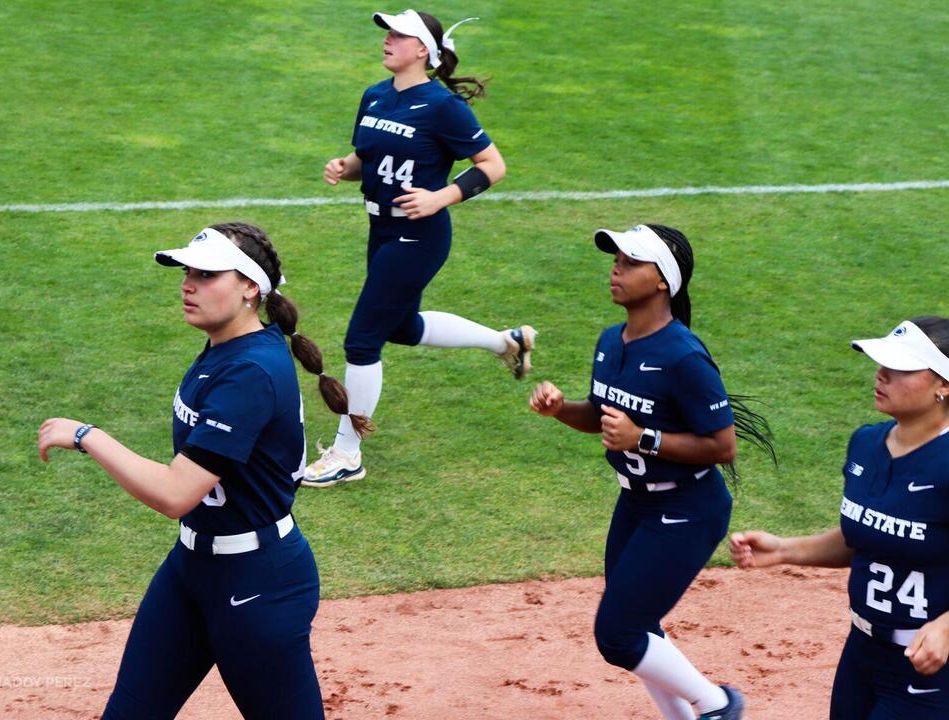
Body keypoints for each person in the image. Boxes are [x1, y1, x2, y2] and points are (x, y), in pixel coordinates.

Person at [37, 223, 361, 719]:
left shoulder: (250, 372)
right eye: (188, 271)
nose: (188, 284)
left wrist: (87, 436)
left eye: (207, 274)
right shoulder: (226, 346)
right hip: (191, 570)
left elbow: (175, 494)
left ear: (251, 287)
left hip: (258, 584)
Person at [529, 223, 771, 719]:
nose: (616, 269)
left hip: (688, 507)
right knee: (640, 627)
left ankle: (718, 704)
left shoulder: (683, 356)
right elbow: (601, 417)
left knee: (618, 635)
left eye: (631, 262)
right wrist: (560, 409)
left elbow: (724, 446)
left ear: (663, 280)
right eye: (616, 260)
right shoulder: (610, 342)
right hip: (637, 503)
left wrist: (645, 439)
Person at [305, 8, 535, 487]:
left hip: (419, 237)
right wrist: (342, 167)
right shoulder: (374, 96)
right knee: (403, 328)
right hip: (382, 231)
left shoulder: (443, 106)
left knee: (362, 339)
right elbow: (366, 158)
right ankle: (505, 341)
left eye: (399, 34)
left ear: (422, 51)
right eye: (387, 32)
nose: (387, 40)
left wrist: (442, 196)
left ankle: (348, 452)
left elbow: (493, 165)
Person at [731, 317, 949, 719]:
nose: (881, 375)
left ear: (943, 386)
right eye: (882, 363)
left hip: (932, 670)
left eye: (900, 369)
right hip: (862, 654)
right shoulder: (866, 443)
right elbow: (864, 535)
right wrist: (783, 550)